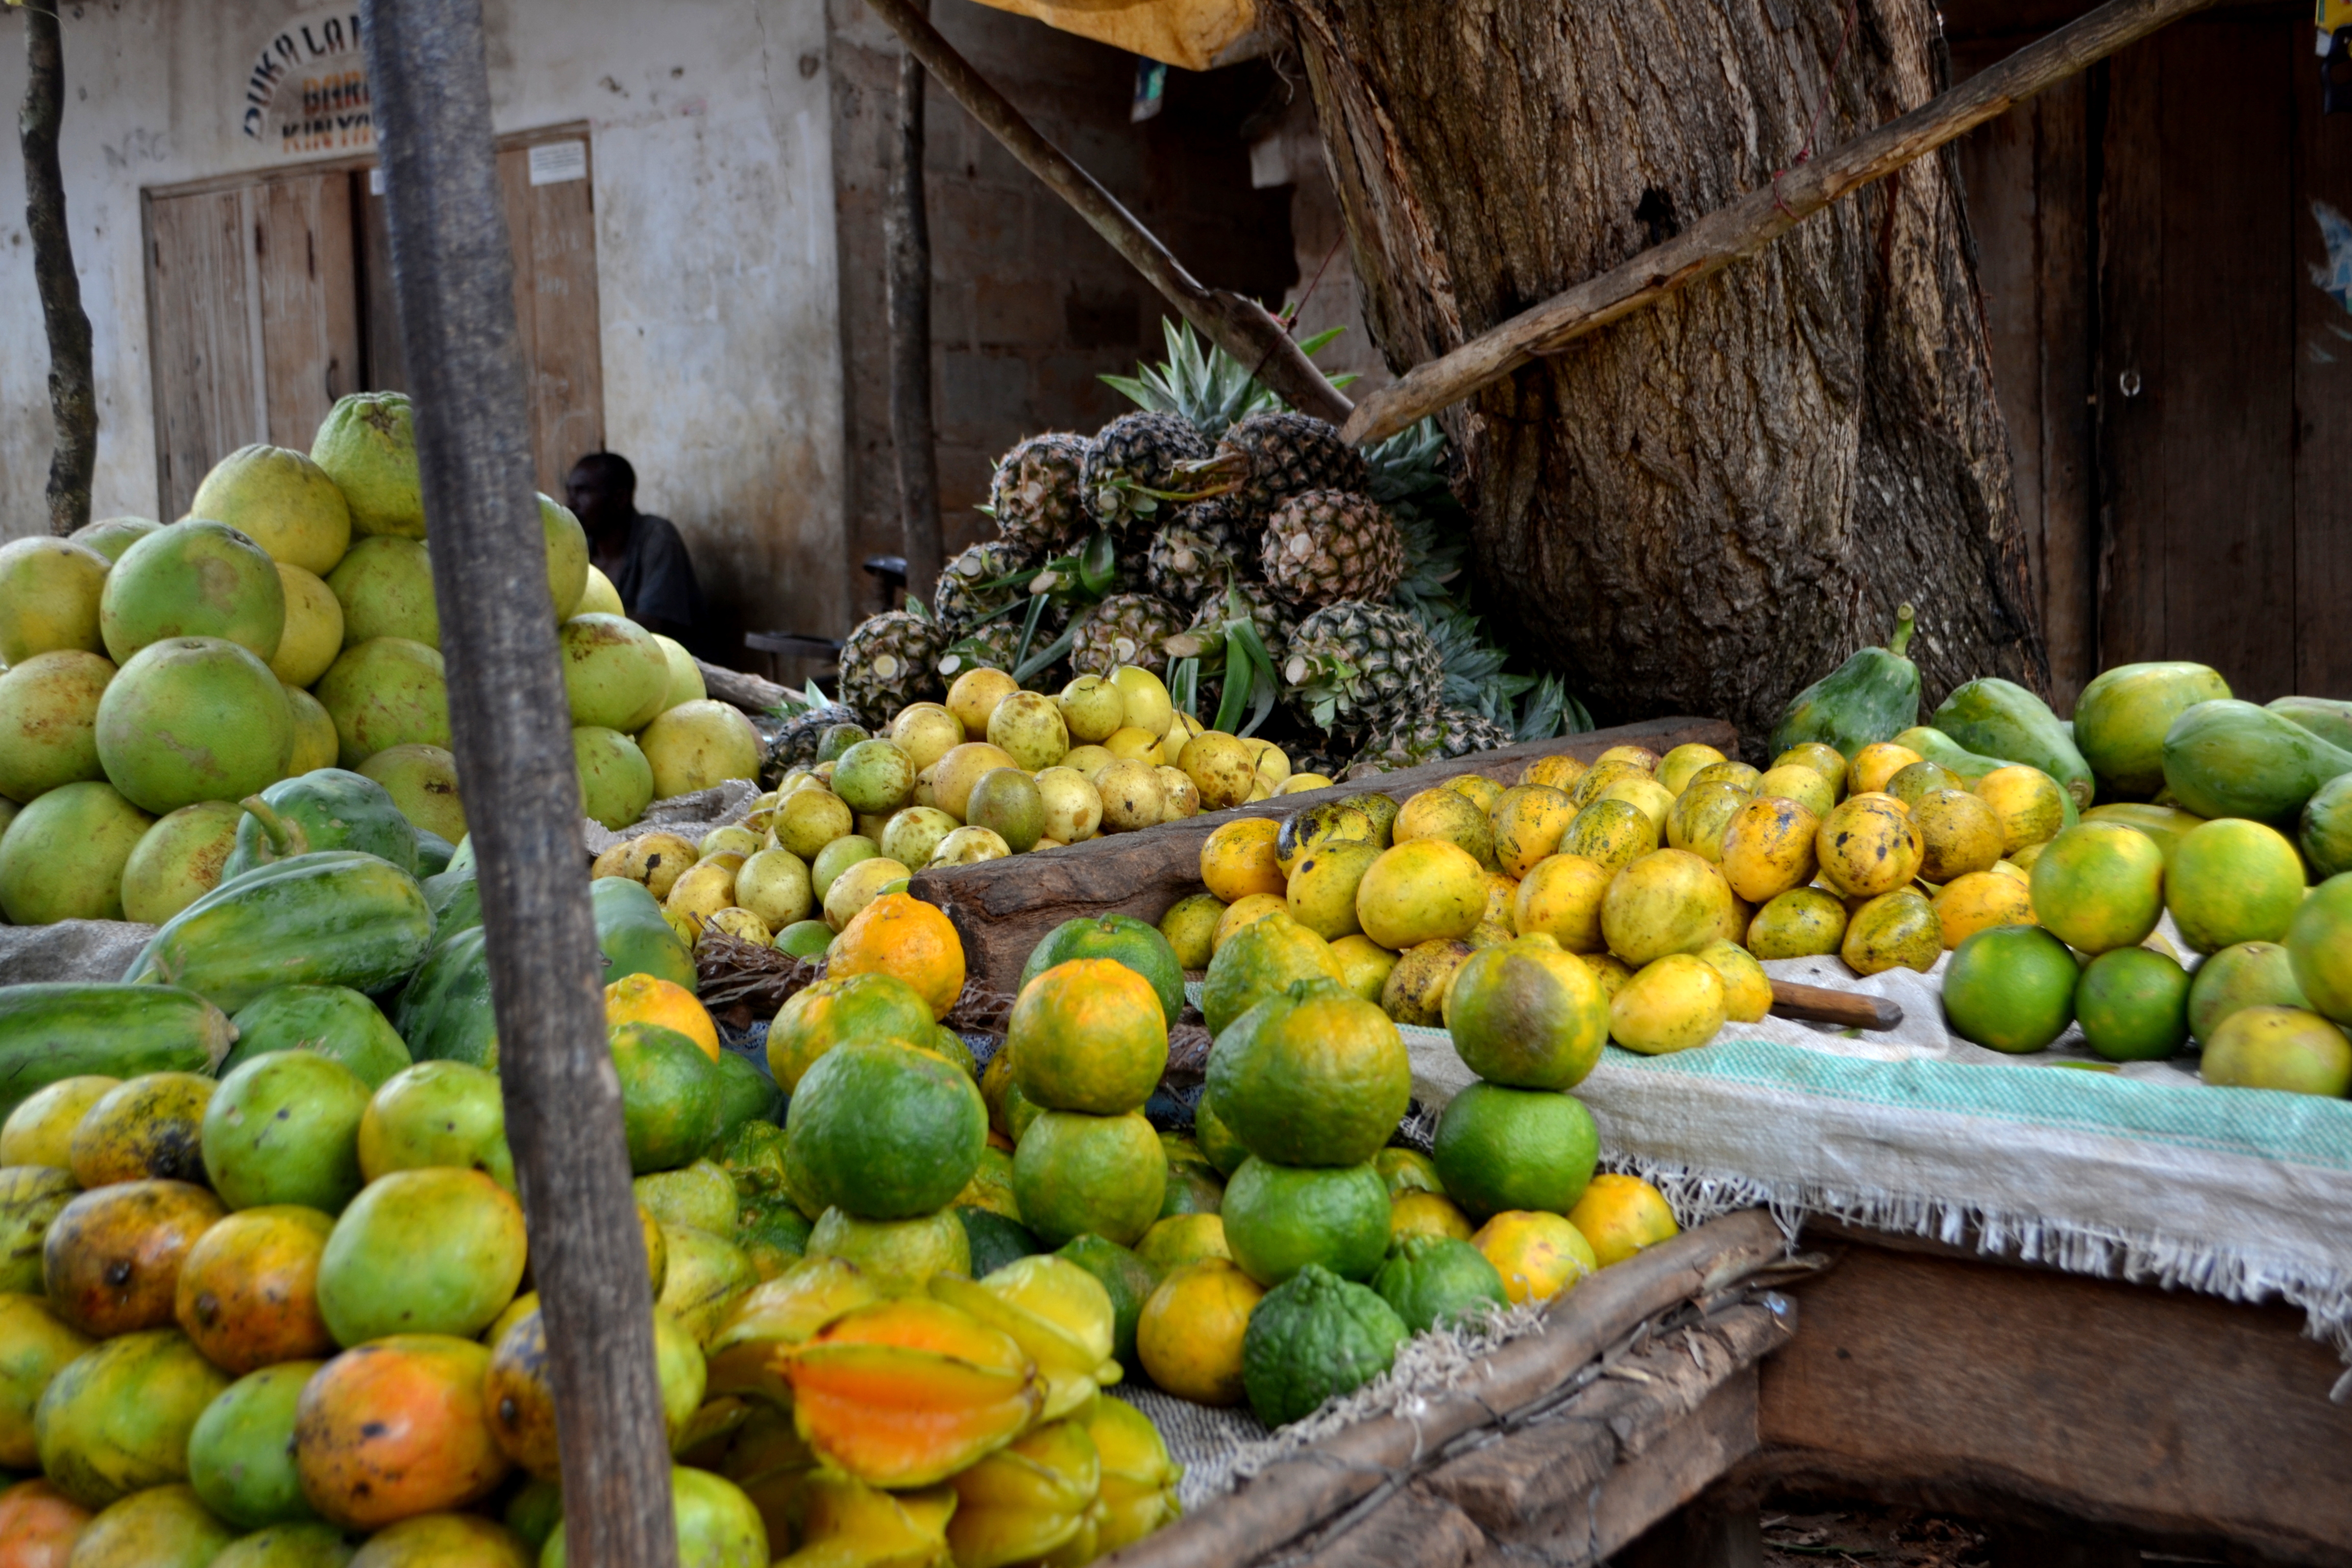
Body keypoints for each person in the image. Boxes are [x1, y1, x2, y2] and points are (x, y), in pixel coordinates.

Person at [565, 451, 705, 648]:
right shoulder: (580, 547)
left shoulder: (657, 537)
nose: (570, 504)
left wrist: (575, 629)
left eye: (583, 492)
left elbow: (652, 625)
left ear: (620, 498)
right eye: (570, 492)